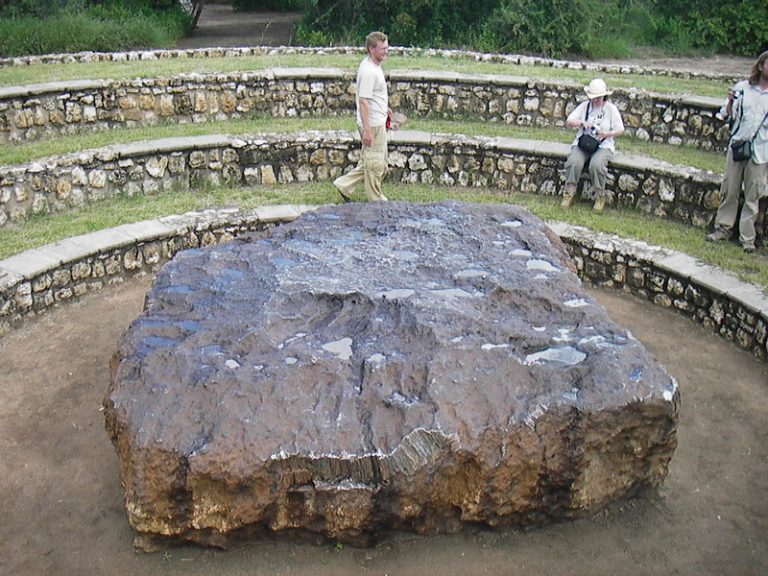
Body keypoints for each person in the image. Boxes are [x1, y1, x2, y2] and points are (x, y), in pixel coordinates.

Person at [705, 50, 768, 253]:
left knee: (752, 195)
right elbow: (725, 115)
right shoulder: (743, 88)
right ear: (760, 66)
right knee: (730, 189)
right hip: (738, 145)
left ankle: (747, 238)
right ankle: (723, 228)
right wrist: (731, 101)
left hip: (761, 151)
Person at [333, 31, 391, 203]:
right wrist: (367, 131)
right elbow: (364, 101)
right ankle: (376, 199)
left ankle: (344, 184)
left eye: (387, 48)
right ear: (371, 49)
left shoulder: (373, 66)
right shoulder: (369, 72)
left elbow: (372, 96)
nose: (386, 52)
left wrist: (385, 109)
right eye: (382, 49)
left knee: (375, 160)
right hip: (372, 124)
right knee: (375, 163)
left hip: (376, 120)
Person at [561, 78, 625, 213]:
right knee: (574, 161)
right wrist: (582, 123)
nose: (596, 100)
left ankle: (599, 196)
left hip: (604, 145)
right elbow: (570, 121)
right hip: (585, 142)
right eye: (594, 97)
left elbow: (620, 129)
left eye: (598, 98)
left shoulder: (611, 109)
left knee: (596, 164)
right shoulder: (585, 106)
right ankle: (569, 192)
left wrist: (606, 134)